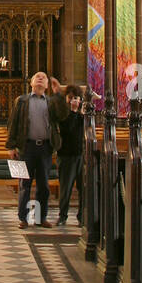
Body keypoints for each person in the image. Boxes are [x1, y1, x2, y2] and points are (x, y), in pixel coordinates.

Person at [6, 72, 69, 229]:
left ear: (47, 85)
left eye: (44, 77)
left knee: (43, 185)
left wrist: (59, 94)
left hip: (45, 148)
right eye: (37, 76)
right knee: (24, 184)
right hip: (25, 148)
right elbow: (12, 123)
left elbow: (63, 115)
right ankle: (23, 218)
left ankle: (41, 218)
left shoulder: (51, 102)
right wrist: (10, 146)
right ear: (31, 83)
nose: (40, 78)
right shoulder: (21, 101)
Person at [55, 85, 85, 225]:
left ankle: (82, 216)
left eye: (77, 98)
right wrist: (73, 112)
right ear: (67, 99)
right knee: (65, 188)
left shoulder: (82, 116)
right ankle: (63, 216)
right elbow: (67, 131)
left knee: (83, 188)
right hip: (66, 155)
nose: (74, 101)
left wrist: (82, 115)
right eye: (71, 98)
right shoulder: (63, 115)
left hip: (81, 155)